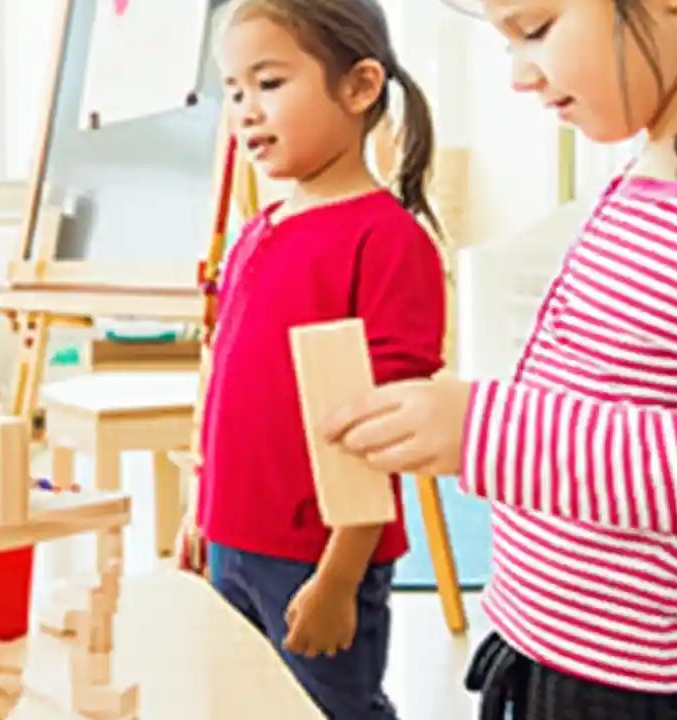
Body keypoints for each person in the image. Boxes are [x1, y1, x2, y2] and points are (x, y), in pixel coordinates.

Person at [325, 0, 677, 717]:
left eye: (536, 31)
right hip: (553, 648)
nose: (520, 75)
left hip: (662, 689)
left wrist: (487, 432)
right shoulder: (652, 171)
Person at [180, 1, 447, 717]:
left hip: (318, 553)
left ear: (359, 88)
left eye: (269, 83)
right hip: (231, 538)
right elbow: (224, 381)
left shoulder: (387, 241)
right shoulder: (256, 233)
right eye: (234, 91)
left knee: (330, 708)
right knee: (241, 702)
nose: (246, 111)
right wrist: (198, 507)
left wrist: (337, 577)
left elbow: (382, 431)